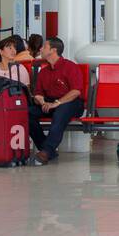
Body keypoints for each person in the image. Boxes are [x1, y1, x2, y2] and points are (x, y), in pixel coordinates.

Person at [29, 36, 83, 165]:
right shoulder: (44, 71)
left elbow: (76, 91)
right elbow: (38, 93)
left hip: (71, 102)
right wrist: (41, 101)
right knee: (27, 113)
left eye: (44, 47)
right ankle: (47, 149)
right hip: (50, 102)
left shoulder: (70, 67)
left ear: (53, 50)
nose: (41, 49)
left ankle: (46, 151)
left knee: (60, 112)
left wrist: (57, 103)